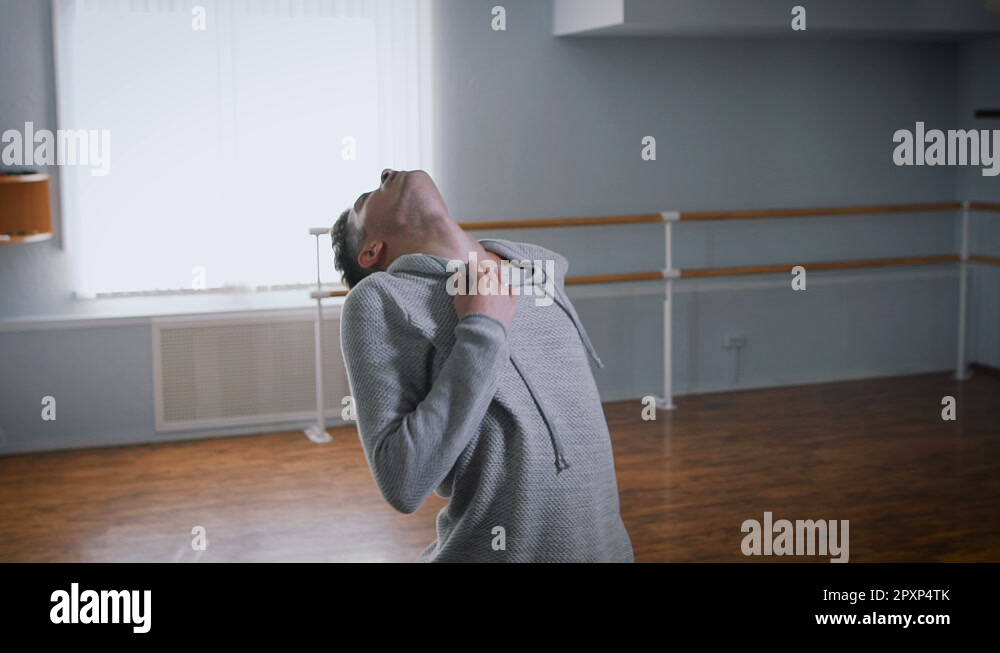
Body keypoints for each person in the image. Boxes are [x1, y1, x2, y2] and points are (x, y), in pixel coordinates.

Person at [331, 168, 634, 562]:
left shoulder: (536, 270)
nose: (387, 172)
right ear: (372, 250)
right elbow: (402, 482)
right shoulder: (381, 298)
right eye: (364, 200)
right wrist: (483, 327)